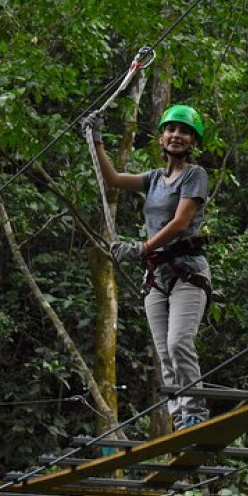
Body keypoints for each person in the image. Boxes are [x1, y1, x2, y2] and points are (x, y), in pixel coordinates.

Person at [90, 104, 211, 431]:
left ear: (193, 141)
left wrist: (141, 248)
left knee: (178, 343)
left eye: (184, 131)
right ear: (161, 137)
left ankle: (195, 413)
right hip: (156, 276)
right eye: (171, 129)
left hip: (188, 272)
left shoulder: (195, 175)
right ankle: (179, 418)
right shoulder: (155, 178)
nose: (176, 135)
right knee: (164, 354)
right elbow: (113, 179)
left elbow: (180, 222)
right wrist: (96, 140)